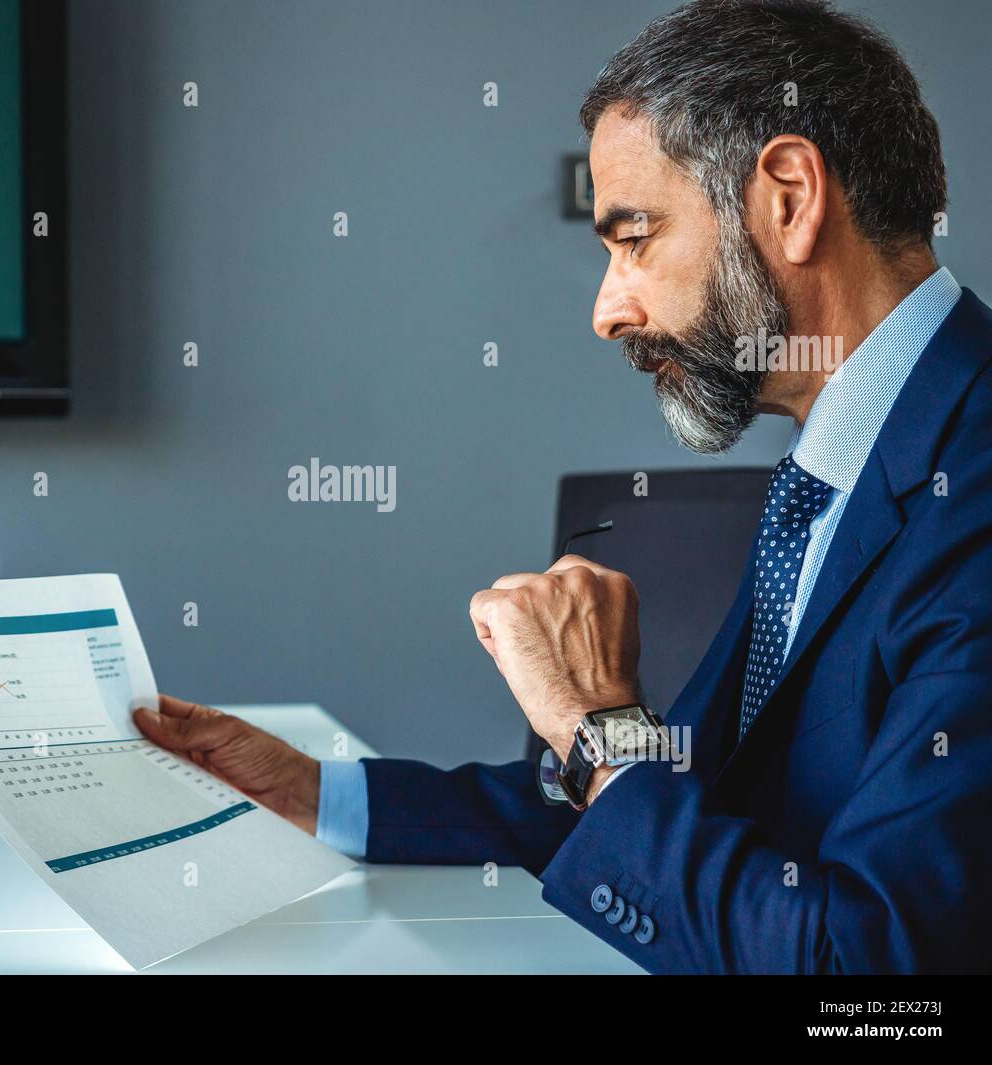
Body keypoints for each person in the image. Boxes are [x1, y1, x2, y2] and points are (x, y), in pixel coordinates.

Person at [136, 0, 992, 973]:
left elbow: (869, 981)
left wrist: (595, 729)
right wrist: (318, 793)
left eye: (634, 239)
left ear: (788, 198)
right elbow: (686, 801)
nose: (605, 310)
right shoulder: (836, 463)